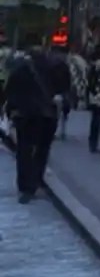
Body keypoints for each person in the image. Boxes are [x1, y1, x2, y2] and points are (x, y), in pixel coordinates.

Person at [3, 44, 58, 203]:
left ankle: (26, 185)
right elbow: (63, 88)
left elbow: (9, 91)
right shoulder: (52, 67)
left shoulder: (19, 69)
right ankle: (37, 178)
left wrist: (10, 110)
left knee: (24, 149)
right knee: (43, 148)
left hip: (25, 114)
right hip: (48, 114)